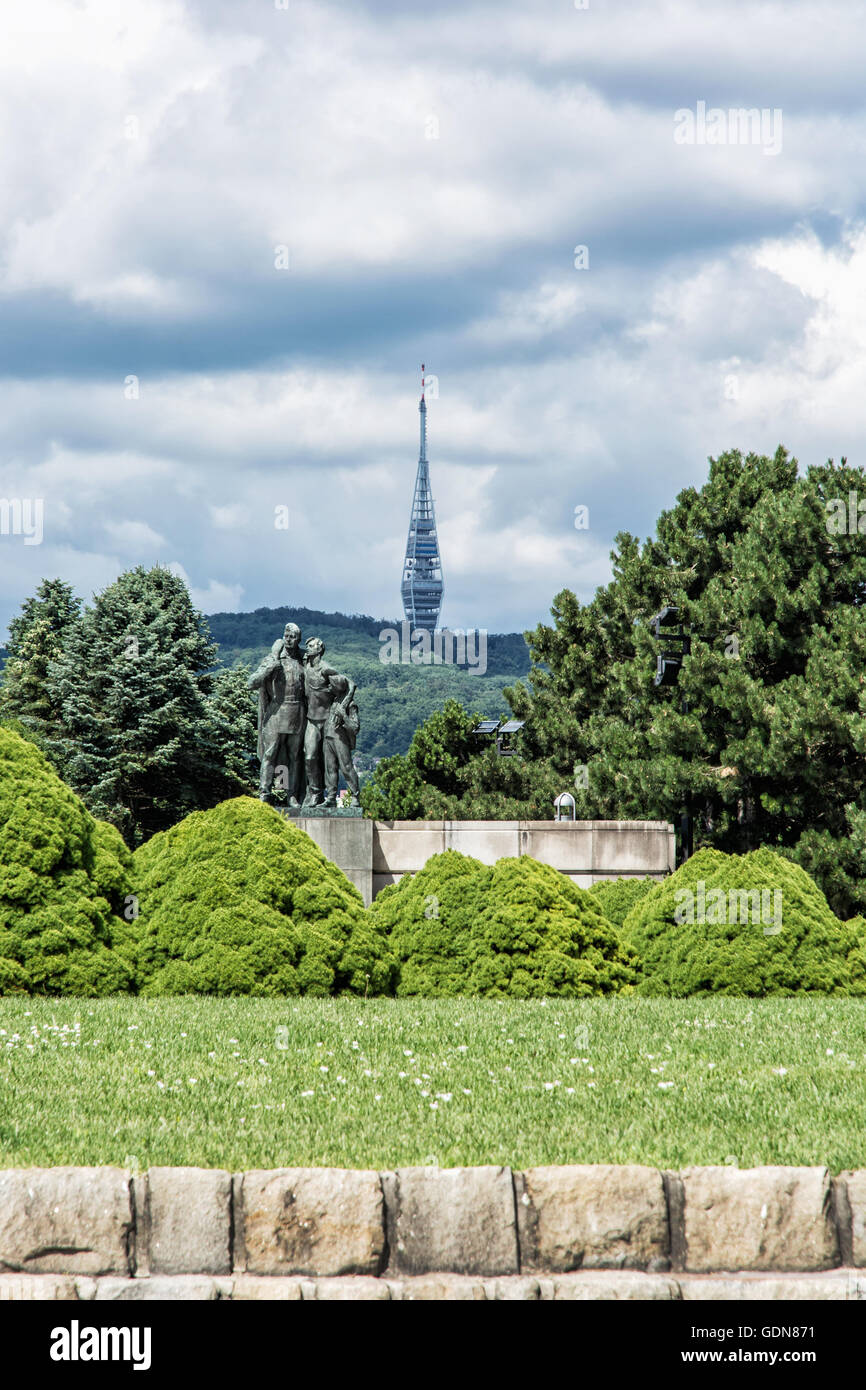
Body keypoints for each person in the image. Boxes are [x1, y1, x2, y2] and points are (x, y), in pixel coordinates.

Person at [248, 622, 306, 805]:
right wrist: (272, 663)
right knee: (270, 754)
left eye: (293, 637)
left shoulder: (303, 660)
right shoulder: (272, 659)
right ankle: (265, 793)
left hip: (297, 713)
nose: (289, 640)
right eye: (286, 636)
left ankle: (291, 795)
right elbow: (251, 682)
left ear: (299, 640)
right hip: (275, 712)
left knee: (294, 756)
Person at [301, 636, 339, 807]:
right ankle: (315, 792)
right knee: (309, 757)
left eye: (311, 646)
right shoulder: (306, 666)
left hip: (328, 720)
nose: (307, 648)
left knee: (330, 761)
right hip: (312, 720)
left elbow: (349, 685)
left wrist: (342, 707)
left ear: (319, 649)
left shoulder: (326, 668)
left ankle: (330, 796)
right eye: (307, 646)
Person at [322, 675, 360, 808]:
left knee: (346, 767)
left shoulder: (350, 704)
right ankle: (331, 797)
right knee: (330, 768)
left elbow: (355, 728)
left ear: (338, 688)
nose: (329, 687)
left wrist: (343, 715)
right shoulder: (334, 700)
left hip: (340, 738)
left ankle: (355, 796)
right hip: (328, 737)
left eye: (331, 685)